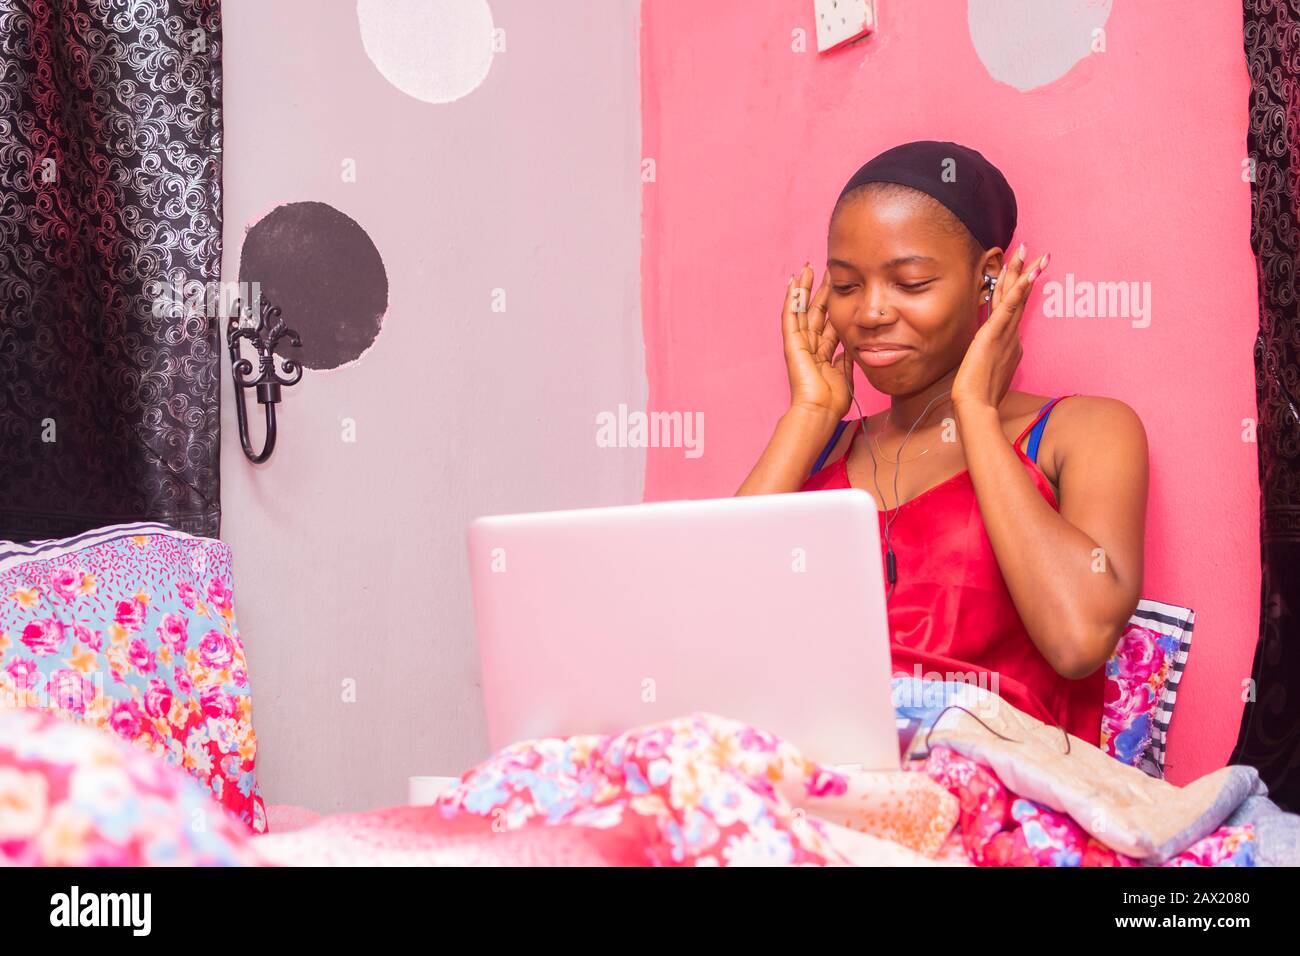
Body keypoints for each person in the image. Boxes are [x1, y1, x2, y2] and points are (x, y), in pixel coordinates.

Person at [736, 141, 1148, 742]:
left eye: (911, 282)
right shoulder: (820, 450)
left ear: (988, 277)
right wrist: (809, 412)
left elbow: (1078, 639)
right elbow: (709, 634)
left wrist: (976, 414)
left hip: (992, 788)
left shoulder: (1084, 431)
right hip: (810, 773)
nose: (871, 312)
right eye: (847, 287)